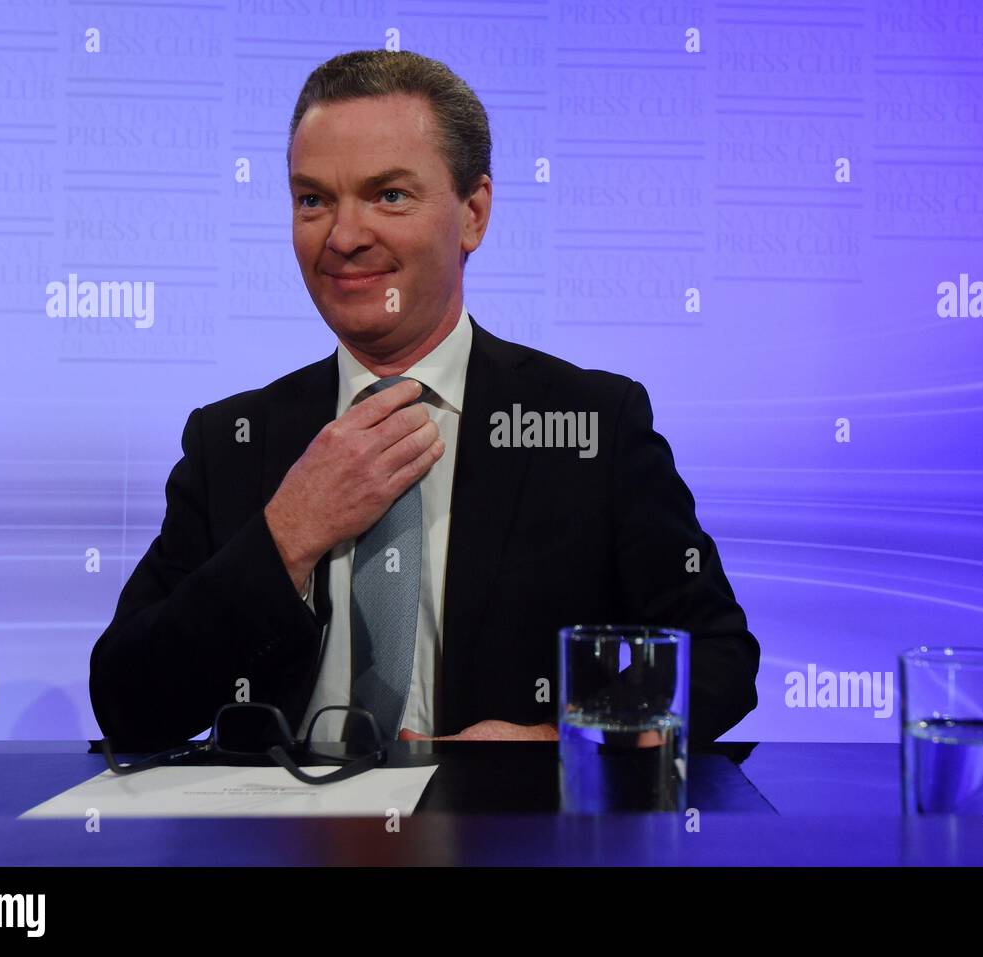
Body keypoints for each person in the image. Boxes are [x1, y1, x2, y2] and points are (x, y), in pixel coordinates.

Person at [89, 50, 759, 753]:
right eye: (313, 199)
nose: (344, 237)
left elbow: (716, 655)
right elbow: (128, 700)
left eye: (389, 196)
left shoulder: (592, 424)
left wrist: (563, 740)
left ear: (473, 214)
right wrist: (287, 534)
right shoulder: (233, 439)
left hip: (508, 843)